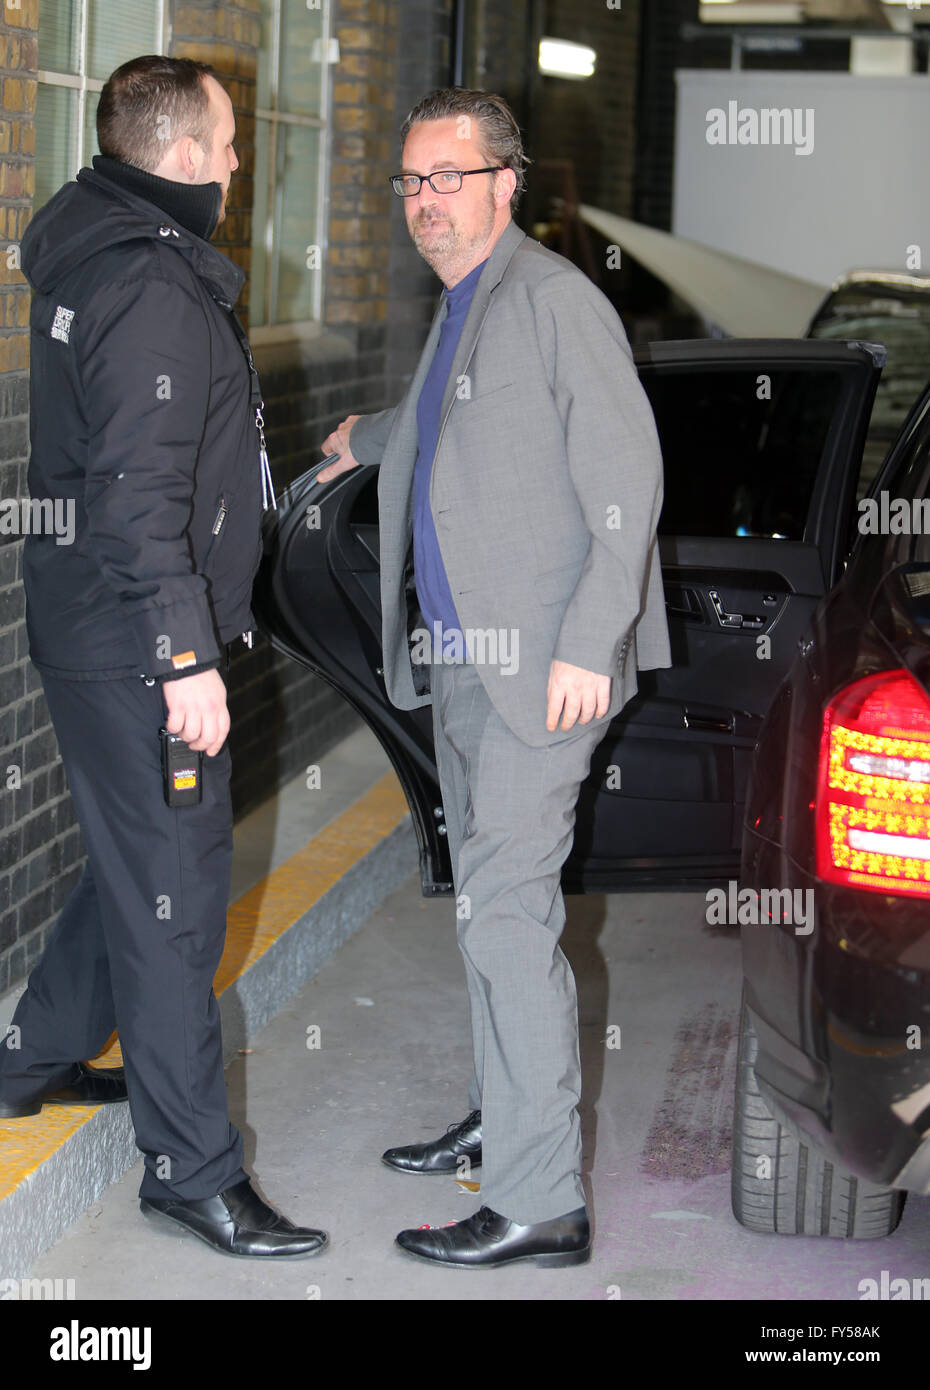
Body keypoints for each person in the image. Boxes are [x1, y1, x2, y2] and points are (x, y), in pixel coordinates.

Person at [318, 87, 671, 1268]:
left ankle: (537, 1197)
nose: (426, 202)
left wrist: (589, 639)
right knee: (485, 915)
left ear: (505, 183)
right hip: (466, 663)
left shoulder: (555, 300)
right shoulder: (467, 302)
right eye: (411, 181)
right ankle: (501, 1115)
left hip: (539, 671)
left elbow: (628, 481)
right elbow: (436, 420)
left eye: (448, 178)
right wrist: (367, 438)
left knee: (511, 919)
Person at [0, 55, 326, 1260]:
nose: (240, 162)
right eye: (231, 143)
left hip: (102, 626)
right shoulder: (150, 282)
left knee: (134, 862)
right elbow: (139, 495)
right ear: (182, 154)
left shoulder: (107, 246)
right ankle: (190, 1170)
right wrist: (188, 656)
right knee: (178, 902)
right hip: (139, 642)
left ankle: (29, 1055)